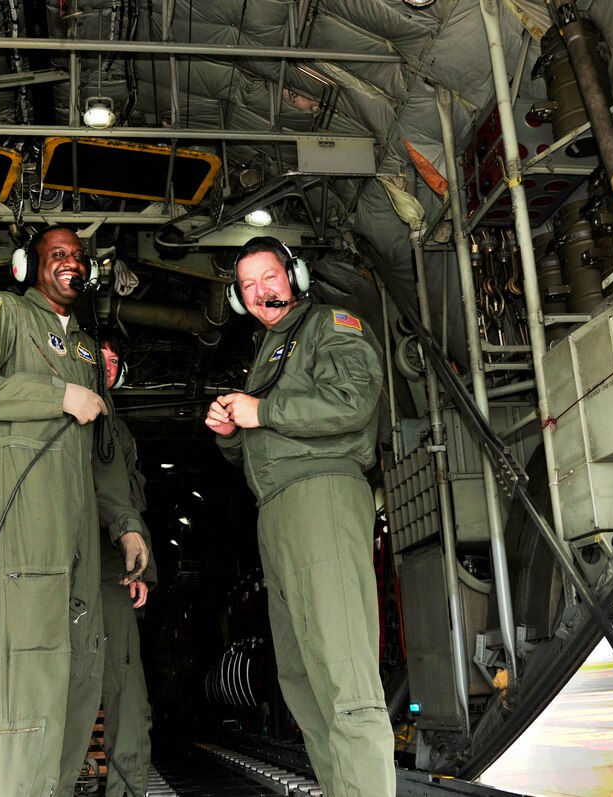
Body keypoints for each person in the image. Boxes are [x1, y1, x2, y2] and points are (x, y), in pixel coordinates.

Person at [0, 225, 149, 797]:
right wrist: (55, 397)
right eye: (58, 254)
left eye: (78, 257)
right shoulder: (4, 313)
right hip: (27, 527)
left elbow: (103, 456)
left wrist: (127, 525)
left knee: (79, 676)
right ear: (27, 265)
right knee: (27, 677)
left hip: (81, 535)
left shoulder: (85, 349)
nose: (71, 264)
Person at [205, 236, 395, 797]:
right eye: (248, 286)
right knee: (302, 678)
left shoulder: (330, 325)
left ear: (295, 276)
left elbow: (351, 403)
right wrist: (231, 433)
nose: (261, 292)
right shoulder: (271, 352)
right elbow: (267, 441)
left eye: (269, 277)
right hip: (279, 512)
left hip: (323, 499)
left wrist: (261, 409)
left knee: (344, 675)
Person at [97, 339, 157, 797]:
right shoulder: (65, 410)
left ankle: (125, 791)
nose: (110, 365)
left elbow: (131, 501)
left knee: (127, 691)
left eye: (117, 358)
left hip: (114, 568)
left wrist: (144, 572)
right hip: (65, 562)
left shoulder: (120, 431)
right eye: (101, 356)